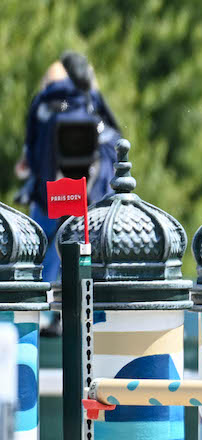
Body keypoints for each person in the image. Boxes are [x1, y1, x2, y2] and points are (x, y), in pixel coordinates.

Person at [15, 51, 122, 282]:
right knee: (91, 261)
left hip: (51, 197)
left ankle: (42, 310)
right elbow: (117, 144)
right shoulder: (92, 99)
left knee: (42, 258)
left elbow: (29, 156)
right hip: (92, 197)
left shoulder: (43, 103)